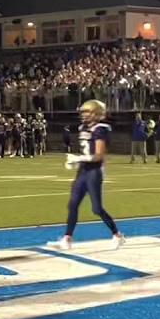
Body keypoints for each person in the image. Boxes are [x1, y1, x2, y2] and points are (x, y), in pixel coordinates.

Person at [49, 99, 126, 251]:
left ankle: (117, 235)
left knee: (96, 209)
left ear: (97, 113)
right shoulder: (83, 127)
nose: (84, 115)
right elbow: (87, 151)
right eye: (83, 112)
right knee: (73, 204)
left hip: (94, 171)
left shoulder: (101, 129)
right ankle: (67, 239)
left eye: (88, 112)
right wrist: (78, 162)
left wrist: (79, 158)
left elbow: (98, 155)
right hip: (83, 170)